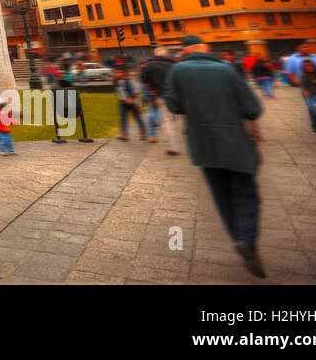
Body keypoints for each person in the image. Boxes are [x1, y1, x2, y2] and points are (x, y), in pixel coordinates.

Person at [164, 35, 266, 278]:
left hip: (202, 144)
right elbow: (253, 108)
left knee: (222, 198)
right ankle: (246, 238)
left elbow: (174, 106)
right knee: (246, 194)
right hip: (235, 143)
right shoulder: (226, 70)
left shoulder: (177, 71)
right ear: (206, 49)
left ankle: (239, 240)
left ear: (185, 51)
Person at [140, 46, 180, 155]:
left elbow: (144, 80)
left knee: (167, 121)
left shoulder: (148, 65)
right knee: (171, 120)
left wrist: (151, 91)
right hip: (174, 95)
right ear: (165, 54)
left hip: (160, 96)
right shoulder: (172, 64)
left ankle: (173, 147)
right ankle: (174, 144)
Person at [114, 68, 147, 140]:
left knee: (138, 118)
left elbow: (136, 92)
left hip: (133, 102)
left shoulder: (128, 81)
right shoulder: (116, 82)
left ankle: (143, 133)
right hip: (123, 103)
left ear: (124, 73)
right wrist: (123, 99)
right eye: (116, 72)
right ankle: (124, 134)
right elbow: (119, 93)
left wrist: (137, 103)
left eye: (120, 72)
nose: (118, 74)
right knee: (123, 118)